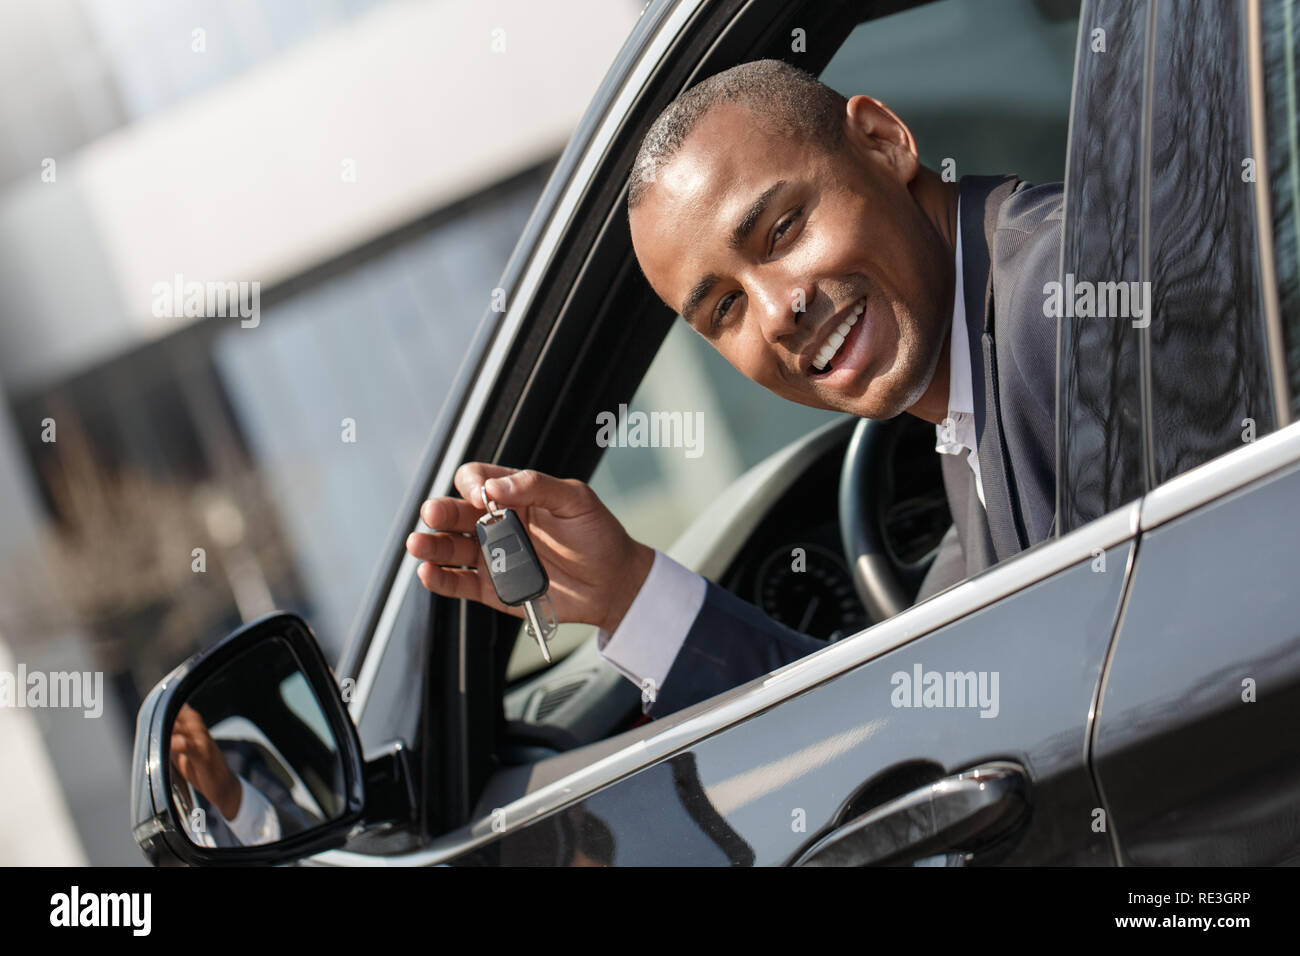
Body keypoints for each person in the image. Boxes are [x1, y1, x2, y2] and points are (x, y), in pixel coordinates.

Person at [405, 60, 1059, 717]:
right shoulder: (972, 409)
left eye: (781, 231)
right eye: (724, 308)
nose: (777, 312)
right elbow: (910, 715)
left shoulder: (1058, 311)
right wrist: (627, 591)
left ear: (883, 141)